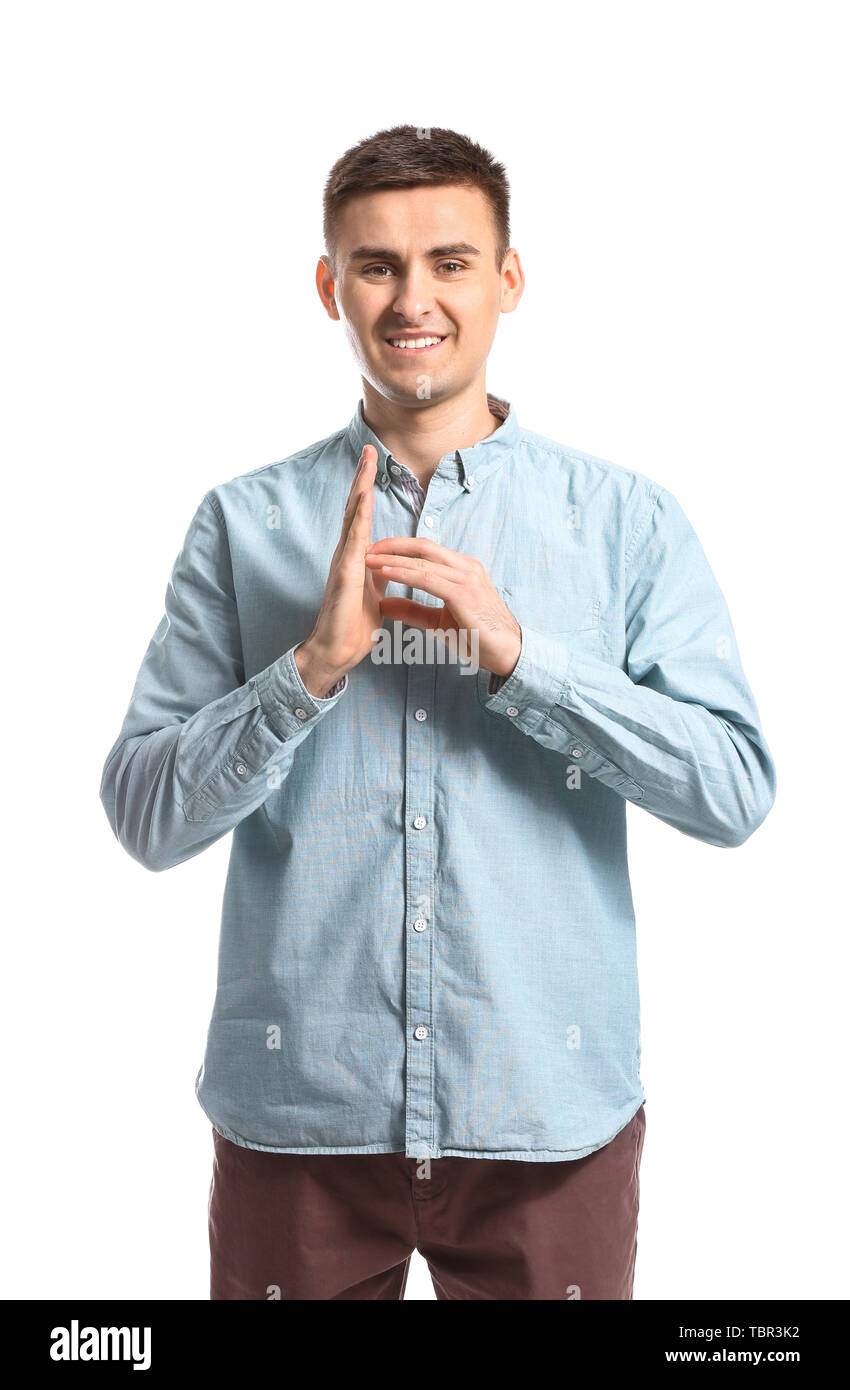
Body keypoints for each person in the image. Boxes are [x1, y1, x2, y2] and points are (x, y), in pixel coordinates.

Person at [100, 124, 776, 1300]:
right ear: (330, 287)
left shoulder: (626, 521)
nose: (414, 298)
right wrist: (308, 667)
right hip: (297, 1127)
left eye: (451, 262)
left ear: (508, 279)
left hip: (548, 1127)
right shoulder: (240, 522)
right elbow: (145, 818)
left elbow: (732, 792)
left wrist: (525, 661)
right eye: (376, 265)